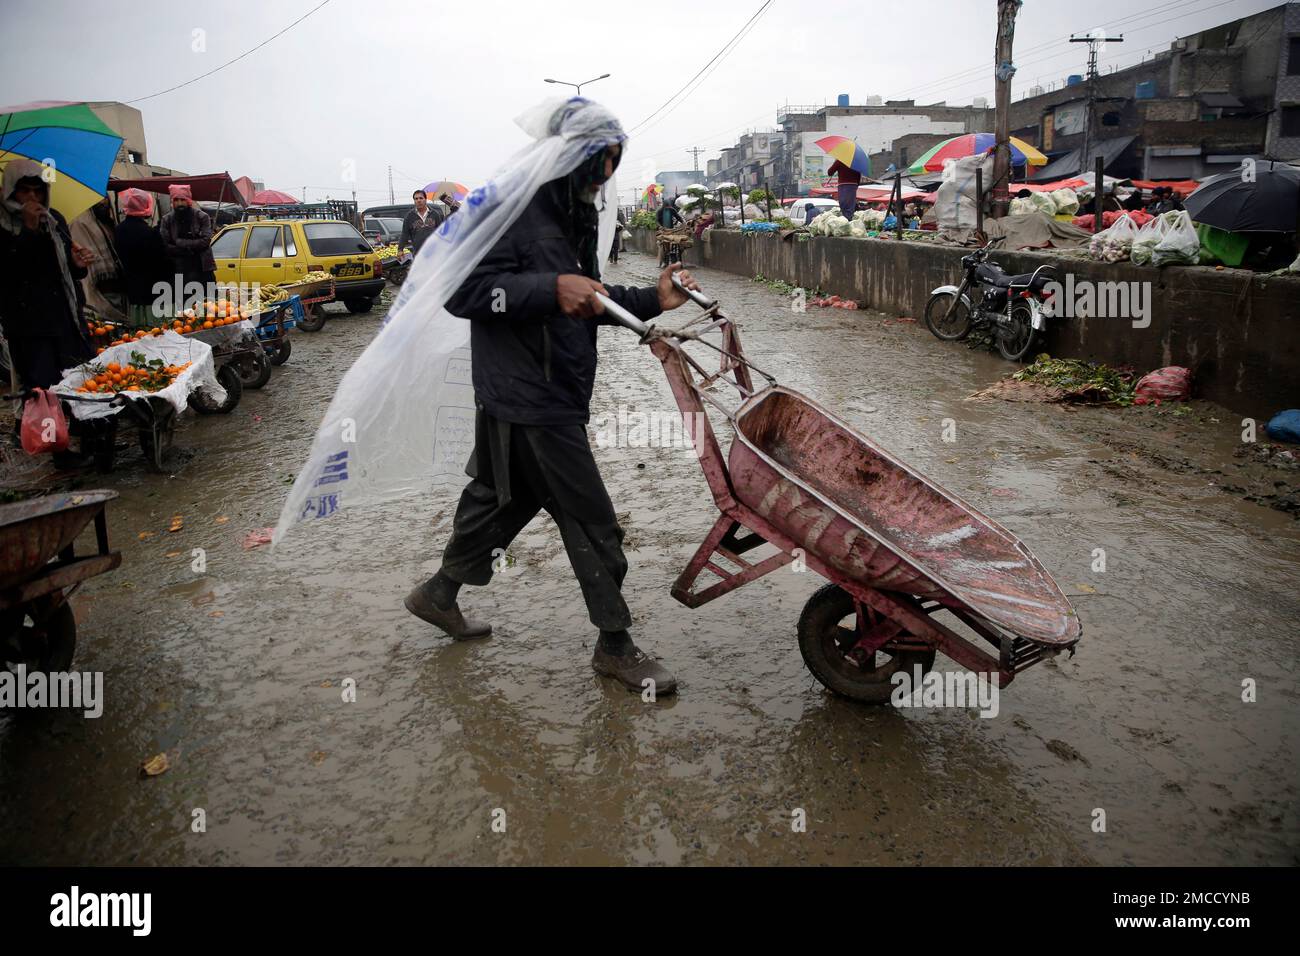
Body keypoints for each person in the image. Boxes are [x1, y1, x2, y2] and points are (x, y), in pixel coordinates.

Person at [403, 122, 702, 696]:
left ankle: (438, 594)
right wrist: (547, 289)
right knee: (591, 522)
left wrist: (653, 300)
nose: (604, 177)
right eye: (597, 163)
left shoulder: (575, 214)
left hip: (552, 387)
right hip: (527, 395)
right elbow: (462, 292)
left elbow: (588, 295)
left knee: (500, 504)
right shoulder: (509, 210)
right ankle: (615, 644)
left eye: (613, 165)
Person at [0, 159, 96, 464]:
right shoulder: (2, 225)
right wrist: (27, 231)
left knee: (80, 379)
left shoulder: (55, 220)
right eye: (24, 191)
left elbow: (64, 270)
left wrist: (79, 266)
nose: (32, 199)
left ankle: (91, 439)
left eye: (38, 191)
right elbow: (10, 274)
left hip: (65, 315)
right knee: (44, 390)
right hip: (29, 326)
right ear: (10, 192)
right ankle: (59, 452)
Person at [114, 188, 175, 330]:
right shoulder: (150, 234)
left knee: (138, 331)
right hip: (154, 293)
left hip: (132, 291)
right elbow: (163, 262)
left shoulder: (118, 231)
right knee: (157, 331)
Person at [70, 198, 126, 323]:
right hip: (98, 286)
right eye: (99, 199)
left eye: (105, 198)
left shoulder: (105, 222)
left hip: (116, 285)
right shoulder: (81, 223)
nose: (103, 202)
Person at [159, 184, 215, 303]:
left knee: (209, 307)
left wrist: (179, 242)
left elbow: (205, 241)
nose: (180, 203)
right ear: (172, 202)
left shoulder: (202, 217)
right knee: (184, 310)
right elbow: (165, 244)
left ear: (188, 200)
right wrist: (190, 247)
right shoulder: (166, 220)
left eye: (183, 199)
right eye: (176, 200)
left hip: (203, 269)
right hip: (180, 270)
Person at [398, 190, 444, 256]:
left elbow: (441, 232)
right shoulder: (409, 216)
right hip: (418, 253)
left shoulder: (434, 214)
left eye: (421, 198)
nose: (418, 200)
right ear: (414, 201)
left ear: (425, 199)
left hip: (434, 252)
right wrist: (400, 249)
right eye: (416, 199)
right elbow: (404, 234)